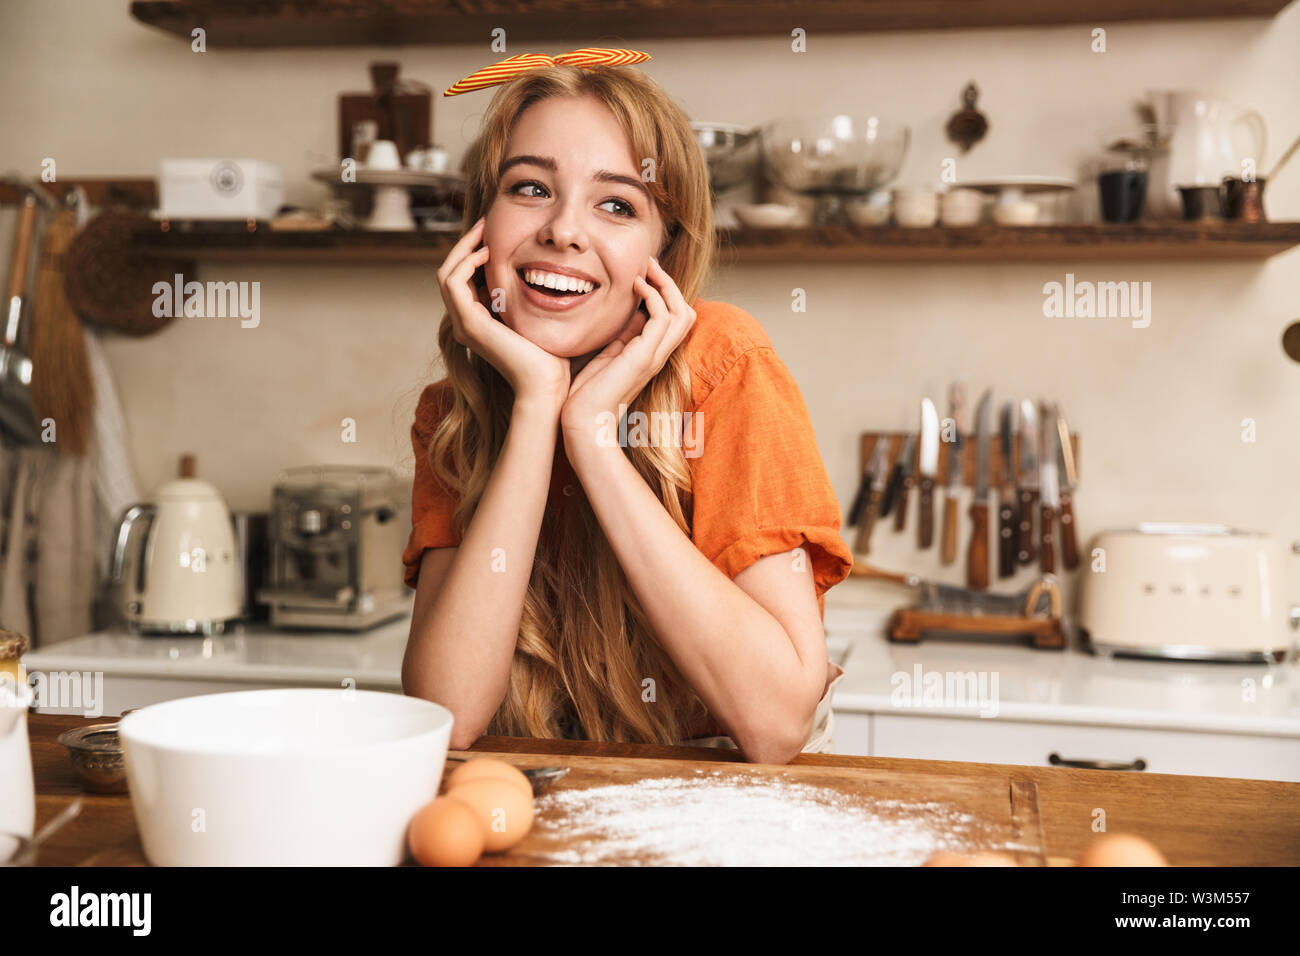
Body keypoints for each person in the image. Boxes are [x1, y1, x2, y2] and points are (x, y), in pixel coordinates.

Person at [401, 49, 852, 764]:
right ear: (478, 226)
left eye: (616, 204)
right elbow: (447, 719)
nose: (563, 231)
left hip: (728, 805)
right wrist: (538, 405)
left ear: (664, 253)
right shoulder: (454, 415)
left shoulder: (726, 364)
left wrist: (592, 434)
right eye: (528, 188)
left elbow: (774, 726)